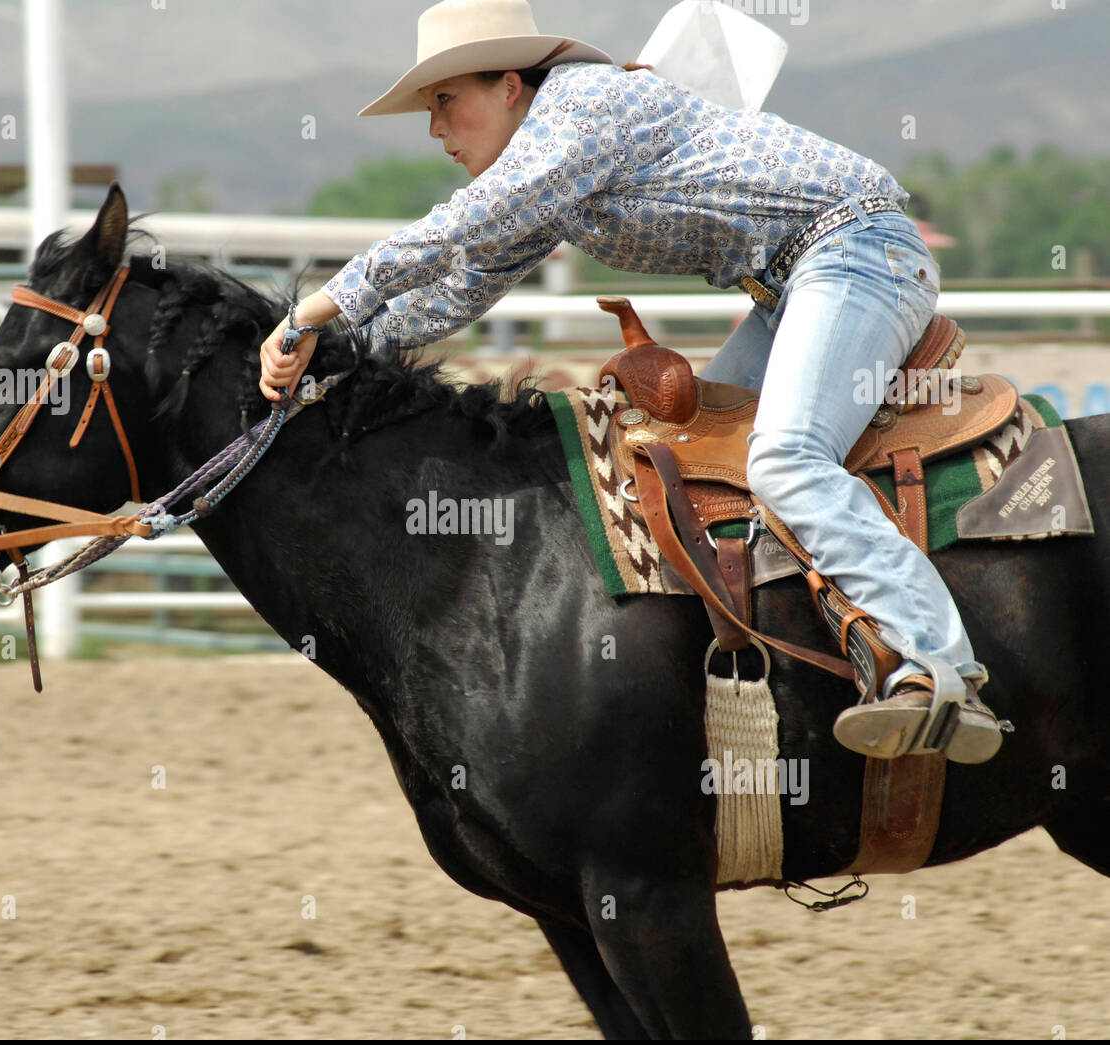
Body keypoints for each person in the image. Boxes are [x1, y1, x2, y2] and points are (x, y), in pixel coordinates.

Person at [257, 0, 1003, 765]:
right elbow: (462, 284)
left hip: (858, 252)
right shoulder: (557, 166)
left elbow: (467, 224)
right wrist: (339, 350)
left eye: (446, 101)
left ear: (511, 85)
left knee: (786, 457)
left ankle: (937, 667)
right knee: (694, 462)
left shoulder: (585, 105)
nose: (435, 129)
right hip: (800, 285)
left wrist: (324, 302)